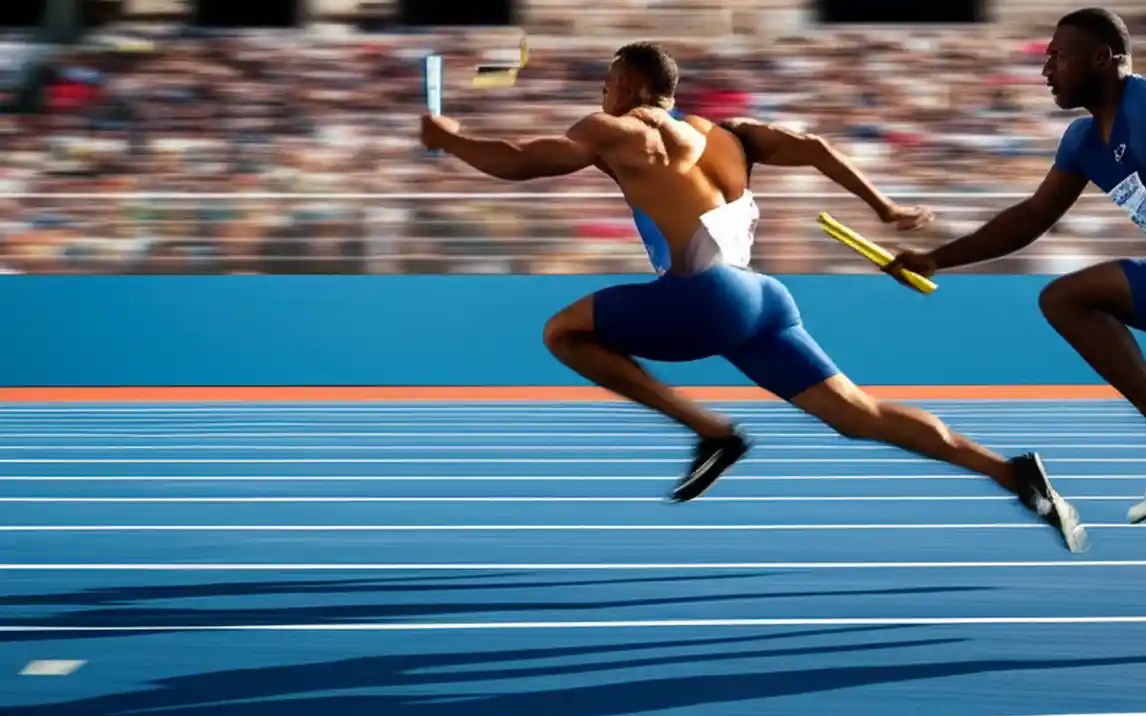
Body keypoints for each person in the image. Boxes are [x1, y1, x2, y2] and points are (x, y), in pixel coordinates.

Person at [420, 41, 1088, 552]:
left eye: (607, 80)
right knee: (859, 414)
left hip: (706, 299)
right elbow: (818, 146)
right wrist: (883, 207)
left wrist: (446, 139)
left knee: (562, 333)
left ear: (632, 83)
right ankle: (1009, 472)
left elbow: (516, 159)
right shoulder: (731, 133)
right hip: (763, 300)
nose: (601, 90)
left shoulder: (618, 128)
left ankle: (712, 433)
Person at [886, 7, 1146, 524]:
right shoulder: (1083, 142)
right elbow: (1031, 217)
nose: (1046, 70)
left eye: (1059, 57)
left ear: (1102, 59)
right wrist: (937, 258)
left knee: (1066, 298)